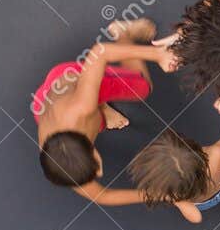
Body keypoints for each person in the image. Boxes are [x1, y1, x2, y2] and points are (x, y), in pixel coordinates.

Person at [33, 18, 176, 203]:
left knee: (141, 88)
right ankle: (101, 111)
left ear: (94, 153)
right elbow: (103, 196)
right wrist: (164, 196)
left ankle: (124, 32)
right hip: (43, 104)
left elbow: (100, 52)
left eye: (96, 170)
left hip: (70, 78)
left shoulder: (81, 108)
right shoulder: (62, 165)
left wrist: (157, 55)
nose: (100, 173)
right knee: (94, 119)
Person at [126, 106, 220, 224]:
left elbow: (195, 217)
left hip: (202, 204)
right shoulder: (216, 154)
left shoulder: (174, 194)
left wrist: (177, 201)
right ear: (192, 147)